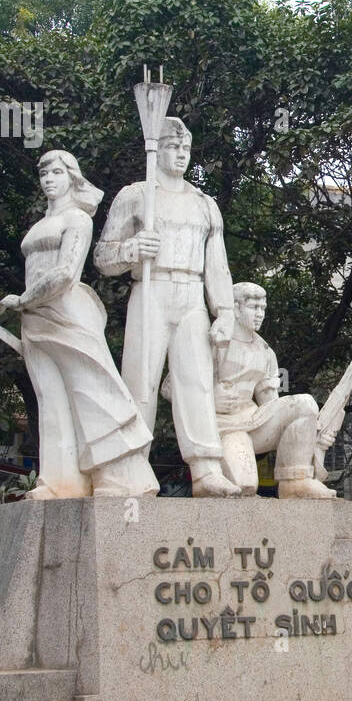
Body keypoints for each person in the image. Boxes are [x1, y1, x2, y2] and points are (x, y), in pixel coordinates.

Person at [0, 150, 159, 500]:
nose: (48, 180)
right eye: (43, 174)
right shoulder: (38, 226)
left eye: (56, 172)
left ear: (72, 177)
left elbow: (65, 274)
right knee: (51, 399)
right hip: (34, 318)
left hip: (65, 313)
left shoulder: (78, 220)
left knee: (92, 393)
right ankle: (58, 482)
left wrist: (23, 300)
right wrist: (26, 306)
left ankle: (119, 477)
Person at [94, 118, 240, 497]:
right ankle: (131, 463)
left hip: (192, 293)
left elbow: (217, 265)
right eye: (173, 147)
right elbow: (102, 257)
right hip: (151, 289)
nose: (180, 155)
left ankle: (206, 469)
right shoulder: (136, 195)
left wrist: (224, 311)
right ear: (157, 150)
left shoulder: (204, 205)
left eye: (186, 148)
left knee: (196, 382)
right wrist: (131, 250)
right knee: (139, 380)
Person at [209, 282, 335, 498]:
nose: (260, 314)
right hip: (222, 428)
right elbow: (172, 389)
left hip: (254, 421)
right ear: (236, 308)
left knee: (304, 404)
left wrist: (314, 432)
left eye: (263, 308)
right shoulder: (213, 341)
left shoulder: (265, 351)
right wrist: (210, 398)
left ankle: (296, 481)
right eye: (253, 308)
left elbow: (271, 405)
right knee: (245, 486)